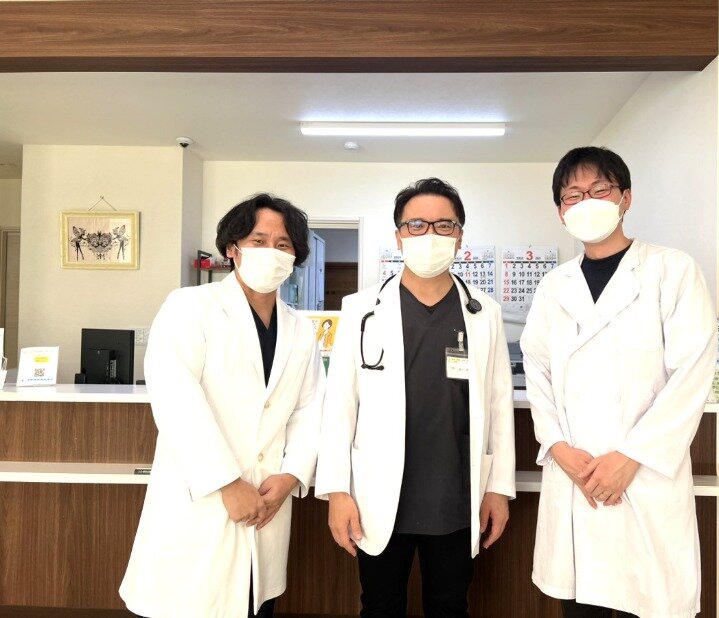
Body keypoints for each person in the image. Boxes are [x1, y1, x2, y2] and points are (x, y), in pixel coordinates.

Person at [520, 147, 715, 618]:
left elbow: (692, 372)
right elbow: (537, 370)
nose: (585, 202)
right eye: (573, 195)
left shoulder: (672, 270)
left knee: (644, 600)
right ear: (561, 211)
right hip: (576, 475)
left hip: (643, 477)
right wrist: (559, 448)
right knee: (580, 603)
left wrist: (631, 457)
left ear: (625, 198)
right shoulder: (554, 285)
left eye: (599, 190)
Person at [315, 178, 516, 617]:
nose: (430, 235)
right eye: (417, 225)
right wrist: (336, 492)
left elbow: (500, 406)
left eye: (444, 225)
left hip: (456, 497)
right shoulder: (361, 309)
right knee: (380, 606)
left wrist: (499, 489)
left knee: (450, 607)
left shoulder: (484, 313)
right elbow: (340, 406)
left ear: (460, 236)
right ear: (398, 236)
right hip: (377, 496)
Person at [120, 193, 325, 618]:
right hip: (202, 503)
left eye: (283, 244)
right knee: (192, 603)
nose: (271, 252)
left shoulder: (300, 329)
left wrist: (290, 475)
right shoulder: (190, 307)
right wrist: (228, 483)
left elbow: (309, 409)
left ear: (295, 257)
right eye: (258, 240)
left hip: (267, 503)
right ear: (232, 248)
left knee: (254, 601)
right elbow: (176, 399)